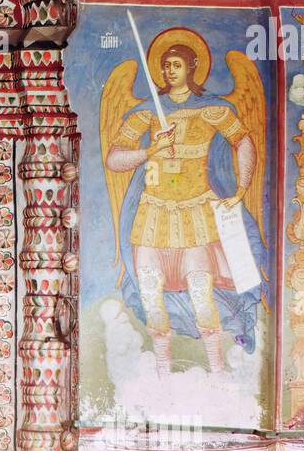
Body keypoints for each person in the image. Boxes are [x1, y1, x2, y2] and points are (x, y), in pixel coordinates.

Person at [103, 35, 264, 377]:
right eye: (165, 64)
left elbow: (244, 140)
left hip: (196, 214)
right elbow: (115, 159)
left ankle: (217, 371)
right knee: (150, 294)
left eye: (176, 64)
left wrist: (242, 188)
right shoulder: (147, 112)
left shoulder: (212, 109)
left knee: (201, 294)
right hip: (152, 214)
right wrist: (149, 152)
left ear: (192, 68)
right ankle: (162, 372)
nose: (169, 70)